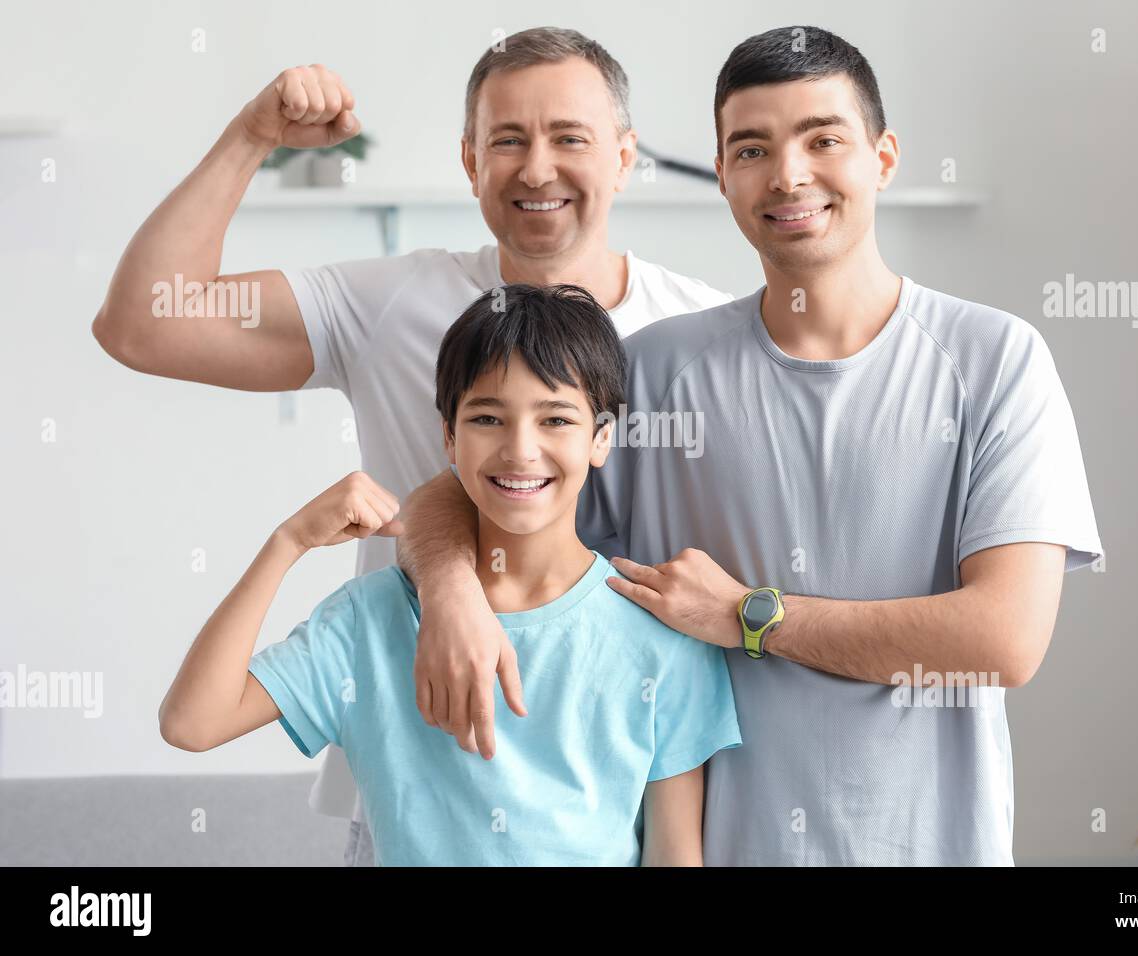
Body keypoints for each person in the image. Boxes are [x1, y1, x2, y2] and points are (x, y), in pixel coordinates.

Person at [398, 25, 1105, 865]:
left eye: (822, 139)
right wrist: (447, 589)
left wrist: (748, 618)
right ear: (726, 178)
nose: (789, 174)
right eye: (752, 149)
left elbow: (1002, 640)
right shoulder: (656, 368)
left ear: (882, 157)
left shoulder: (995, 361)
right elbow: (486, 483)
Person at [91, 26, 733, 863]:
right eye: (508, 140)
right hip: (412, 793)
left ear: (623, 156)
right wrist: (251, 135)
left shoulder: (706, 335)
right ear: (469, 161)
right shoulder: (388, 303)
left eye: (569, 137)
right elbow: (142, 323)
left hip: (618, 804)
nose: (537, 169)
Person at [157, 283, 741, 866]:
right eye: (488, 417)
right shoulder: (370, 620)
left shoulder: (661, 637)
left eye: (556, 419)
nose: (520, 450)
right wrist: (287, 543)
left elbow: (673, 855)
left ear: (602, 438)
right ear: (449, 438)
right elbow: (192, 723)